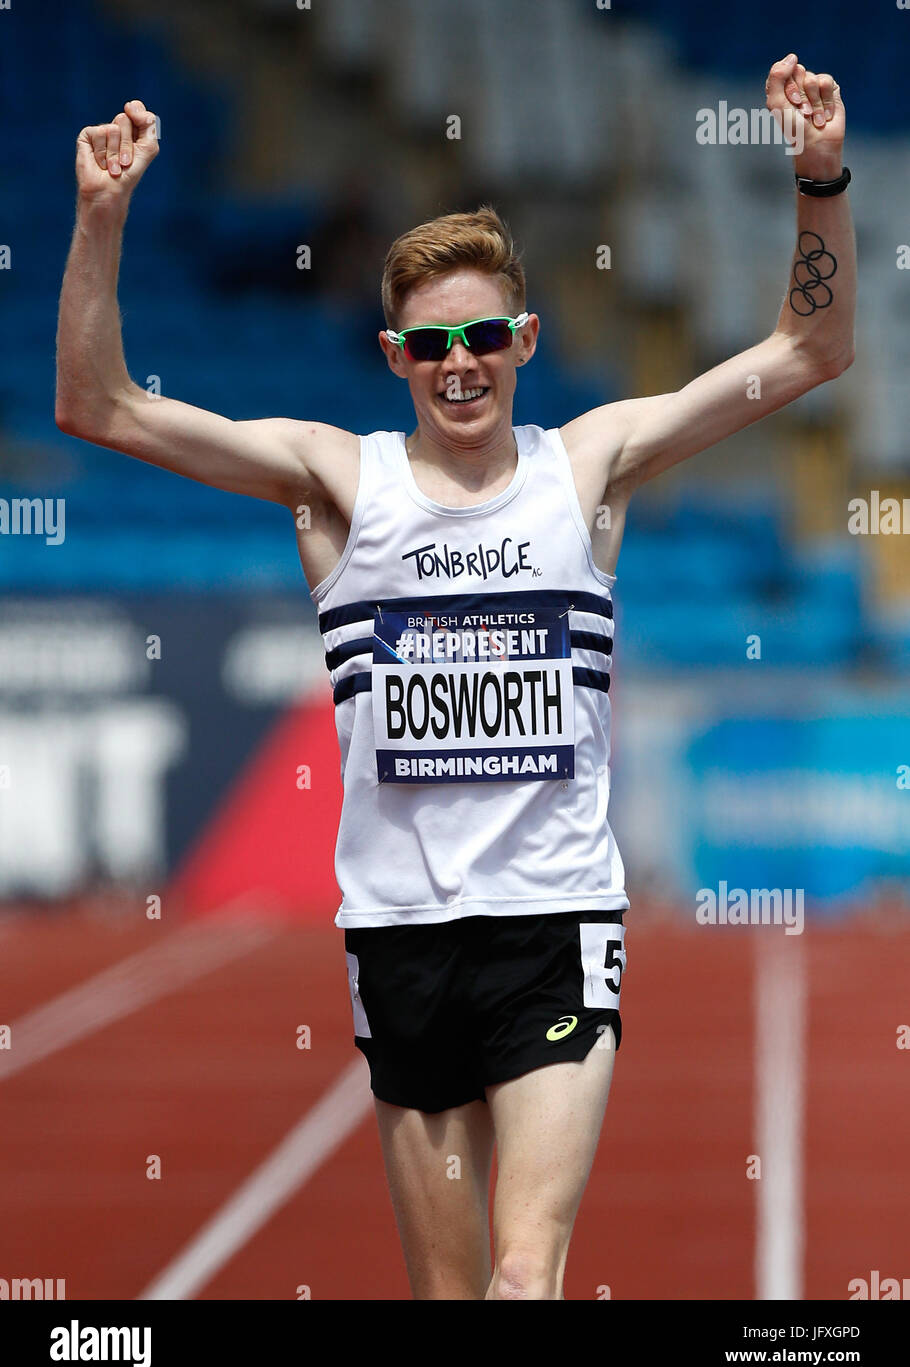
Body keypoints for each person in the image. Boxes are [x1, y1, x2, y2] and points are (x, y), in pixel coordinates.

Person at [55, 54, 855, 1300]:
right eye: (434, 346)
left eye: (486, 336)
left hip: (555, 926)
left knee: (524, 1278)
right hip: (400, 935)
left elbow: (809, 350)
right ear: (395, 357)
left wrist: (817, 175)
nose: (463, 363)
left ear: (525, 339)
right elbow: (98, 406)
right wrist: (101, 218)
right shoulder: (338, 481)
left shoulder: (587, 466)